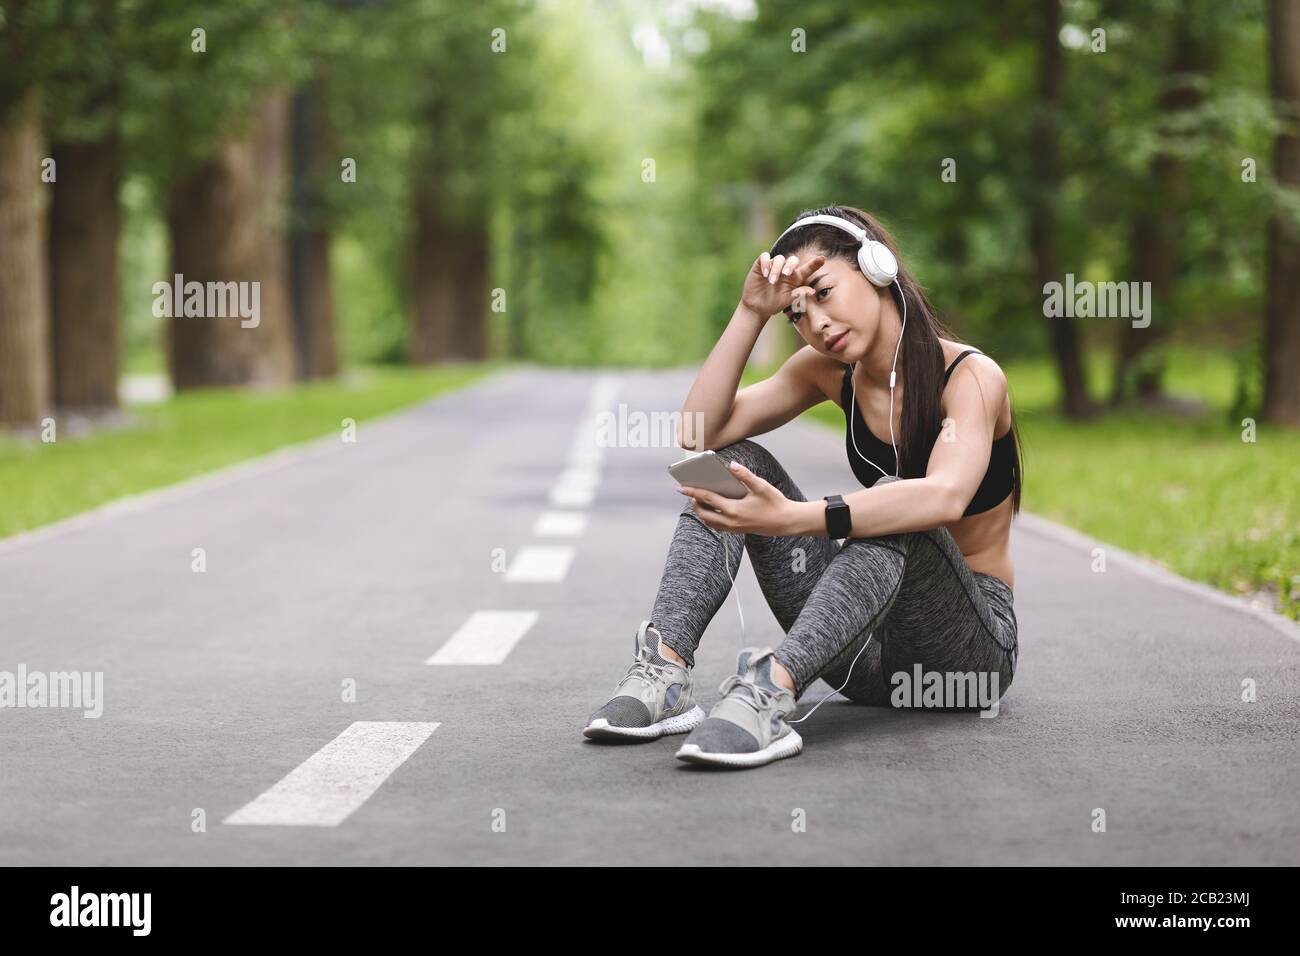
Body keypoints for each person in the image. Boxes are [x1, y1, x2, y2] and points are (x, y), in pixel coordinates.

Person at [583, 204, 1023, 769]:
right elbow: (698, 434)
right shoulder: (826, 371)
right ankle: (664, 670)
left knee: (897, 507)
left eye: (823, 291)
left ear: (878, 268)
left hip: (963, 656)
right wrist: (749, 312)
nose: (814, 322)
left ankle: (770, 691)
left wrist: (794, 517)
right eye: (796, 312)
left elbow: (942, 496)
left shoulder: (972, 378)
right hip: (857, 649)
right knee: (730, 463)